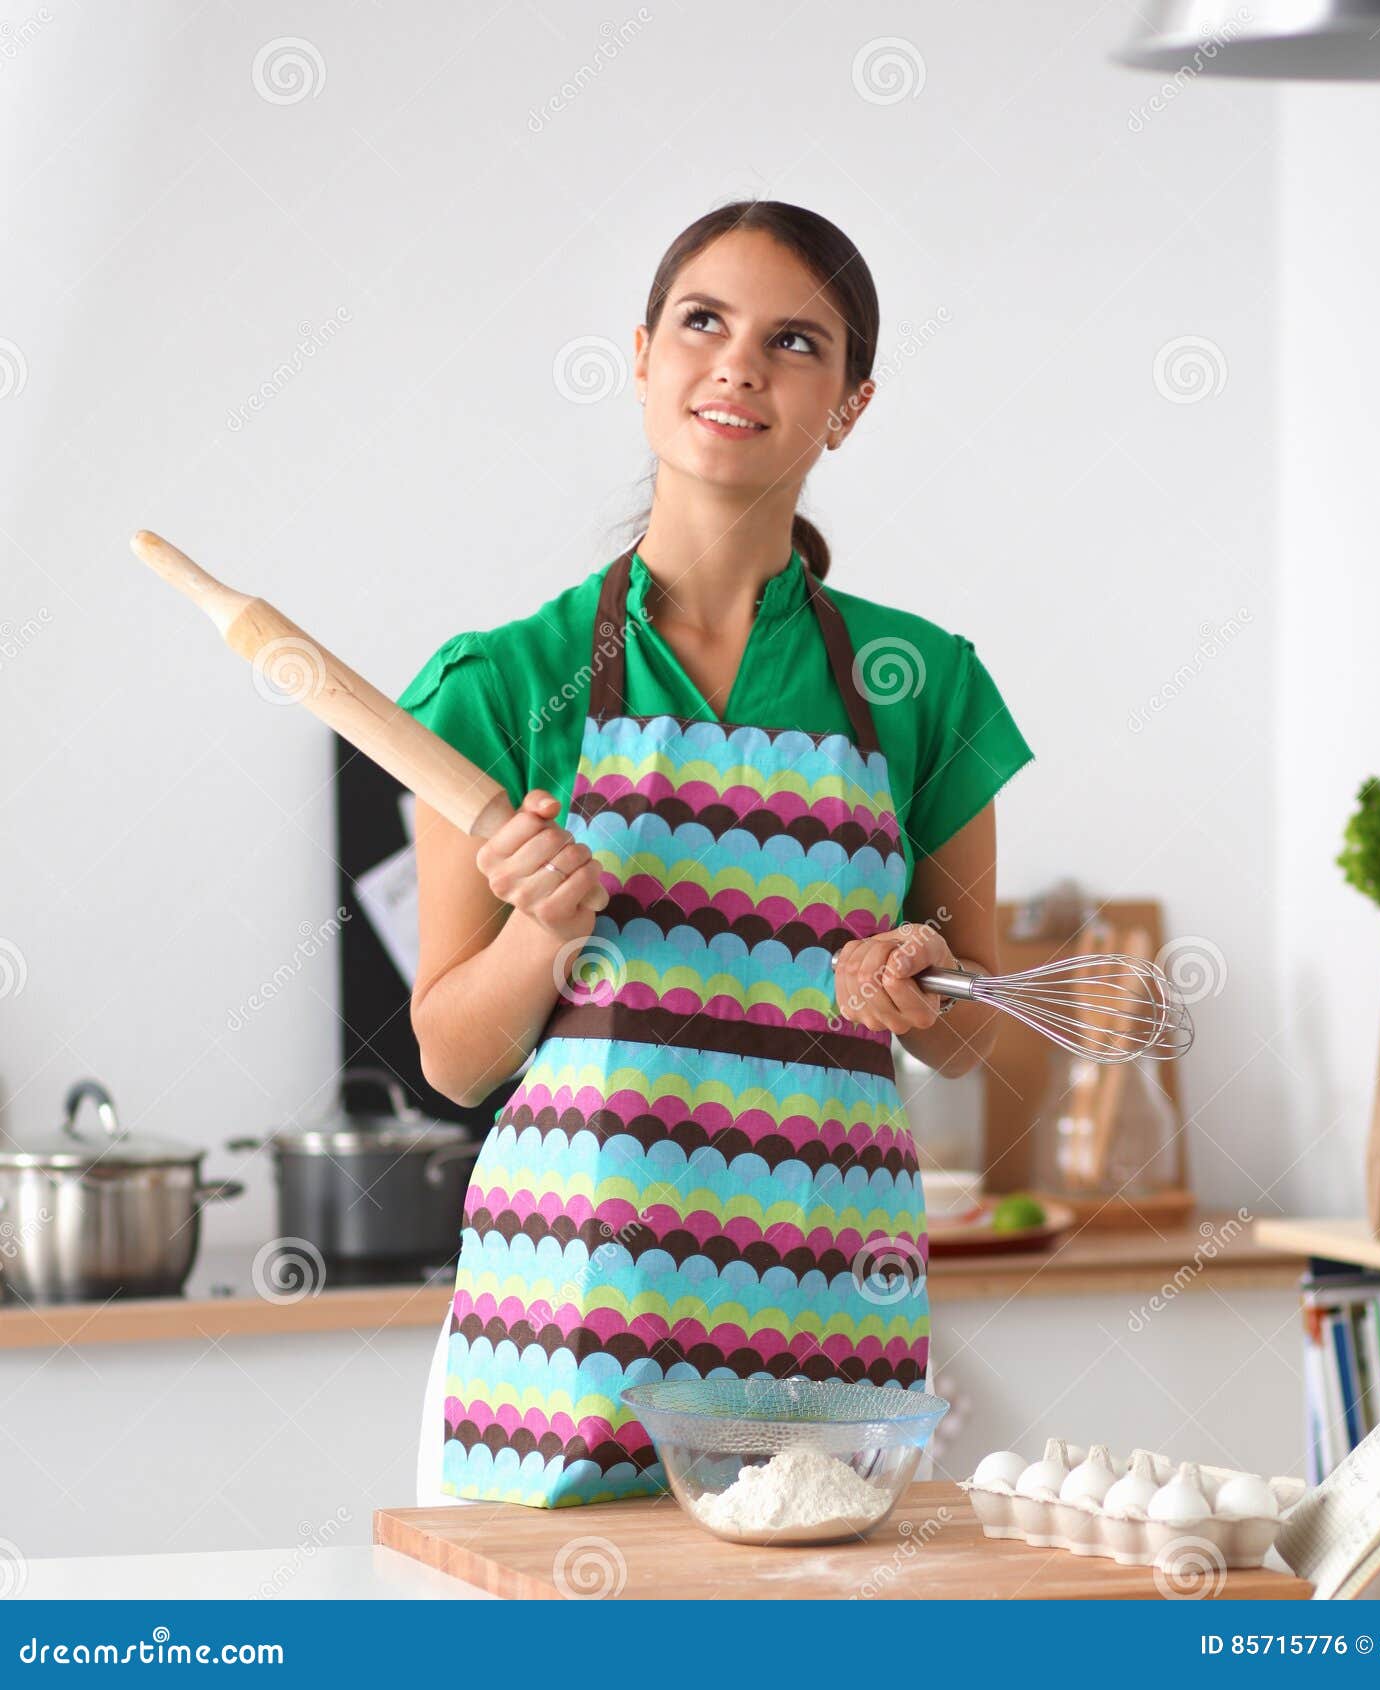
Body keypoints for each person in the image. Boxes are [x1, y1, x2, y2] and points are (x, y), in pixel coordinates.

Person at [397, 199, 1034, 1509]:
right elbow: (454, 1058)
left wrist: (922, 975)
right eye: (704, 322)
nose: (740, 363)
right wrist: (541, 932)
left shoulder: (922, 686)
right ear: (642, 359)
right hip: (565, 1334)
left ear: (848, 406)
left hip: (823, 1324)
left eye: (795, 341)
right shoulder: (503, 684)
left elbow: (975, 1031)